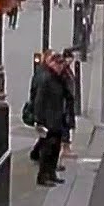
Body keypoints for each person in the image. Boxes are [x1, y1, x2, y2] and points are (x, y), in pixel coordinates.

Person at [30, 53, 72, 187]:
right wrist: (39, 121)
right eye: (58, 64)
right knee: (47, 149)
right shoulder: (46, 79)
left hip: (58, 118)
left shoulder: (59, 78)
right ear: (52, 64)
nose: (60, 67)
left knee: (55, 149)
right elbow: (39, 100)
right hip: (48, 120)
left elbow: (67, 94)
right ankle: (43, 176)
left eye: (61, 64)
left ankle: (52, 173)